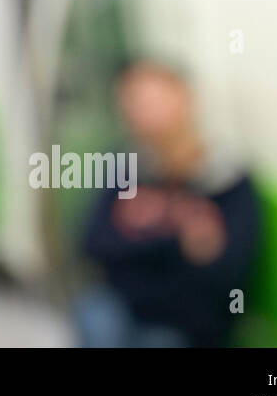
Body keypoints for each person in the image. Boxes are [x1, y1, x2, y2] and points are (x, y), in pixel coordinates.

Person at [73, 60, 259, 347]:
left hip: (186, 323)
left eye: (153, 100)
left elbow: (225, 274)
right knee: (96, 318)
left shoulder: (228, 178)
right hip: (121, 307)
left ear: (185, 98)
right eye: (133, 102)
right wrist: (176, 241)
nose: (143, 112)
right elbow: (92, 243)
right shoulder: (126, 167)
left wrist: (137, 237)